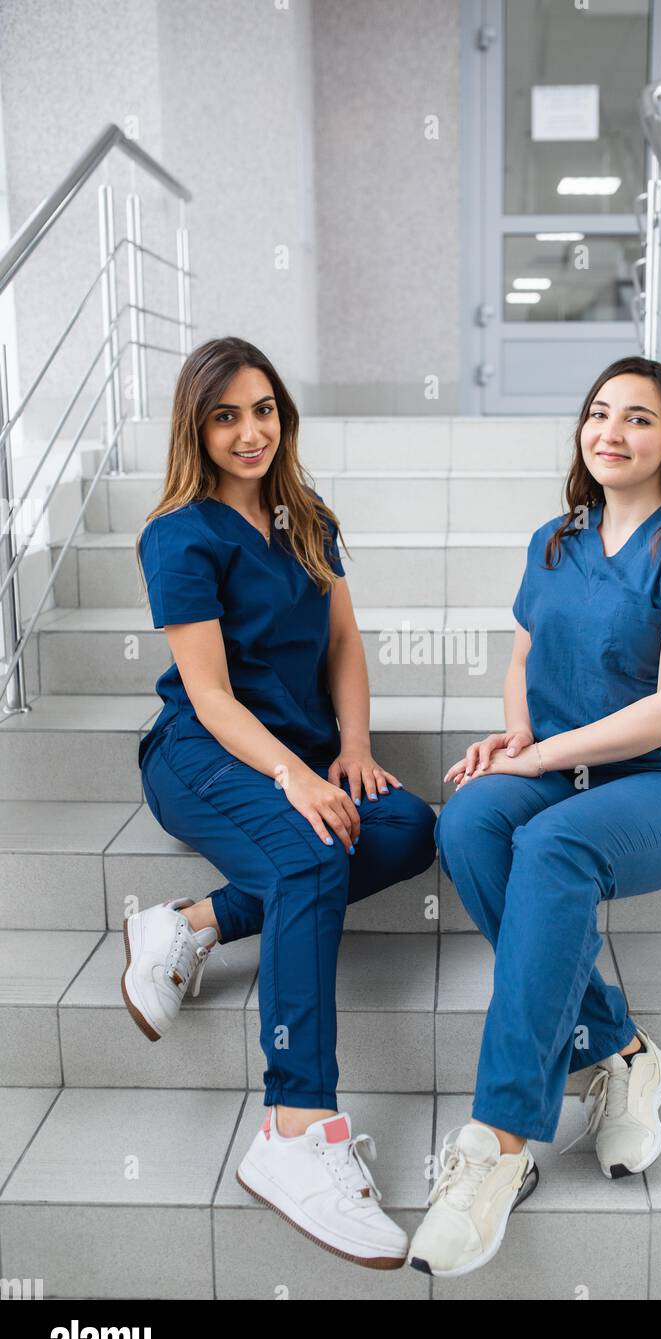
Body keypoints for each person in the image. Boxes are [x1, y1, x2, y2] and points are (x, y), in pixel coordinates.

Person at [407, 355, 661, 1279]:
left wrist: (541, 756)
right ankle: (620, 1049)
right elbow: (523, 660)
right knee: (471, 821)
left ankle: (498, 1145)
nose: (612, 432)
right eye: (599, 413)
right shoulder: (555, 540)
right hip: (560, 765)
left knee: (548, 841)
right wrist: (513, 735)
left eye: (638, 418)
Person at [124, 336, 437, 1271]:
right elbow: (213, 698)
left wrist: (348, 749)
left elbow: (343, 642)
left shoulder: (307, 516)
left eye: (264, 409)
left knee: (413, 827)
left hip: (303, 753)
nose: (251, 431)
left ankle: (194, 922)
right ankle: (295, 1127)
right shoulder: (177, 533)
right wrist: (294, 778)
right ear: (197, 427)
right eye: (226, 416)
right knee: (307, 856)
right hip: (203, 758)